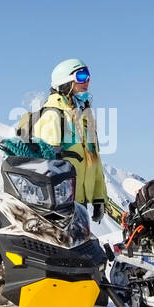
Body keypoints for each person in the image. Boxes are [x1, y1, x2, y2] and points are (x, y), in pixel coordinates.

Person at [21, 58, 109, 223]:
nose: (87, 81)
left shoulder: (85, 118)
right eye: (81, 76)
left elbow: (94, 161)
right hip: (59, 205)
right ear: (65, 82)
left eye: (89, 76)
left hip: (80, 204)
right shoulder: (53, 116)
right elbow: (46, 166)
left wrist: (99, 198)